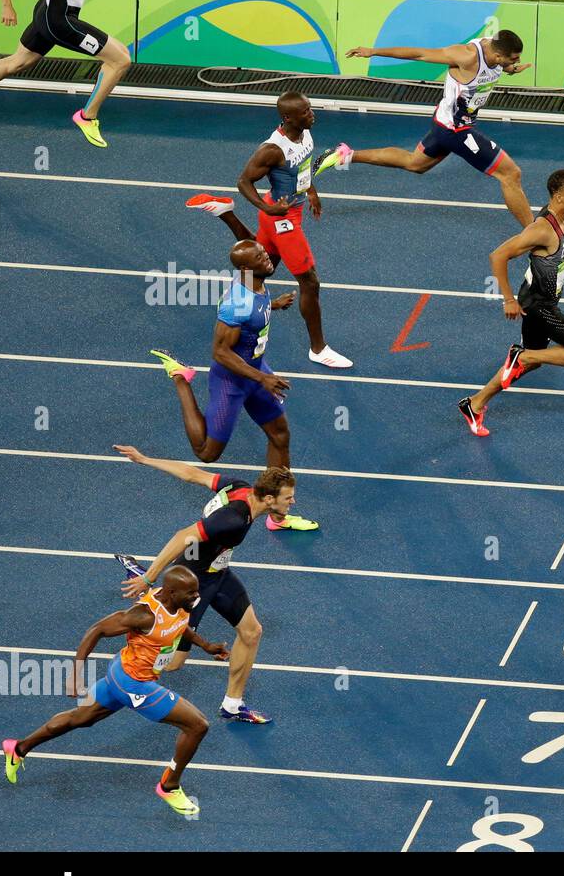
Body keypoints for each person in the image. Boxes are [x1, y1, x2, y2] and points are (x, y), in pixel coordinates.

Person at [1, 566, 227, 817]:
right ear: (171, 592)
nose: (196, 597)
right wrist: (75, 673)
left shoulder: (179, 604)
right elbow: (96, 630)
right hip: (132, 683)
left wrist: (205, 645)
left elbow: (179, 625)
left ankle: (18, 748)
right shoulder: (143, 615)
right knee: (198, 725)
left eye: (196, 592)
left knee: (81, 718)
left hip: (121, 672)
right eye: (191, 593)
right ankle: (169, 786)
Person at [111, 445, 302, 724]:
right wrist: (149, 577)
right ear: (270, 498)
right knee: (174, 663)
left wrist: (145, 459)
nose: (293, 503)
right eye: (289, 498)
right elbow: (182, 537)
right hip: (193, 582)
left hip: (218, 573)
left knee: (251, 632)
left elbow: (191, 474)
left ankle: (233, 705)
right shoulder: (233, 520)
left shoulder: (240, 487)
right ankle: (126, 663)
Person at [147, 237, 318, 533]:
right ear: (244, 268)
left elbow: (255, 313)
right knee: (207, 453)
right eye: (261, 257)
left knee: (280, 435)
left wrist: (273, 305)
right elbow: (220, 352)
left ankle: (277, 515)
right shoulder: (235, 305)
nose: (268, 259)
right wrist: (263, 378)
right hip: (232, 381)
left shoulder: (257, 281)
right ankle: (180, 377)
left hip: (255, 371)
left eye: (265, 254)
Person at [185, 91, 351, 368]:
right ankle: (318, 349)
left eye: (310, 109)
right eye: (307, 111)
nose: (313, 114)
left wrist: (311, 191)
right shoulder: (272, 149)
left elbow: (304, 167)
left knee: (261, 267)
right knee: (310, 281)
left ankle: (226, 214)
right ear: (288, 118)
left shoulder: (305, 134)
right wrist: (267, 208)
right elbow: (243, 182)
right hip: (280, 217)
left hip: (291, 210)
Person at [314, 31, 535, 229]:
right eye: (513, 59)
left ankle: (344, 155)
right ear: (497, 55)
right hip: (456, 129)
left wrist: (512, 69)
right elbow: (418, 54)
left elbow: (501, 65)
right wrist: (373, 51)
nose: (515, 62)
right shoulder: (466, 56)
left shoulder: (496, 51)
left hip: (443, 122)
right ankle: (539, 238)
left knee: (415, 163)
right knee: (511, 174)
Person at [458, 169, 564, 437]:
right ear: (560, 196)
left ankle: (475, 403)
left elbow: (561, 253)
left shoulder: (562, 222)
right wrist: (508, 299)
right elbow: (498, 256)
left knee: (531, 363)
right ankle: (522, 355)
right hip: (540, 308)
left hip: (539, 302)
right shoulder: (541, 229)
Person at [0, 0, 132, 147]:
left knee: (18, 62)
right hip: (59, 20)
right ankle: (87, 117)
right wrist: (6, 5)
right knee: (121, 61)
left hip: (50, 9)